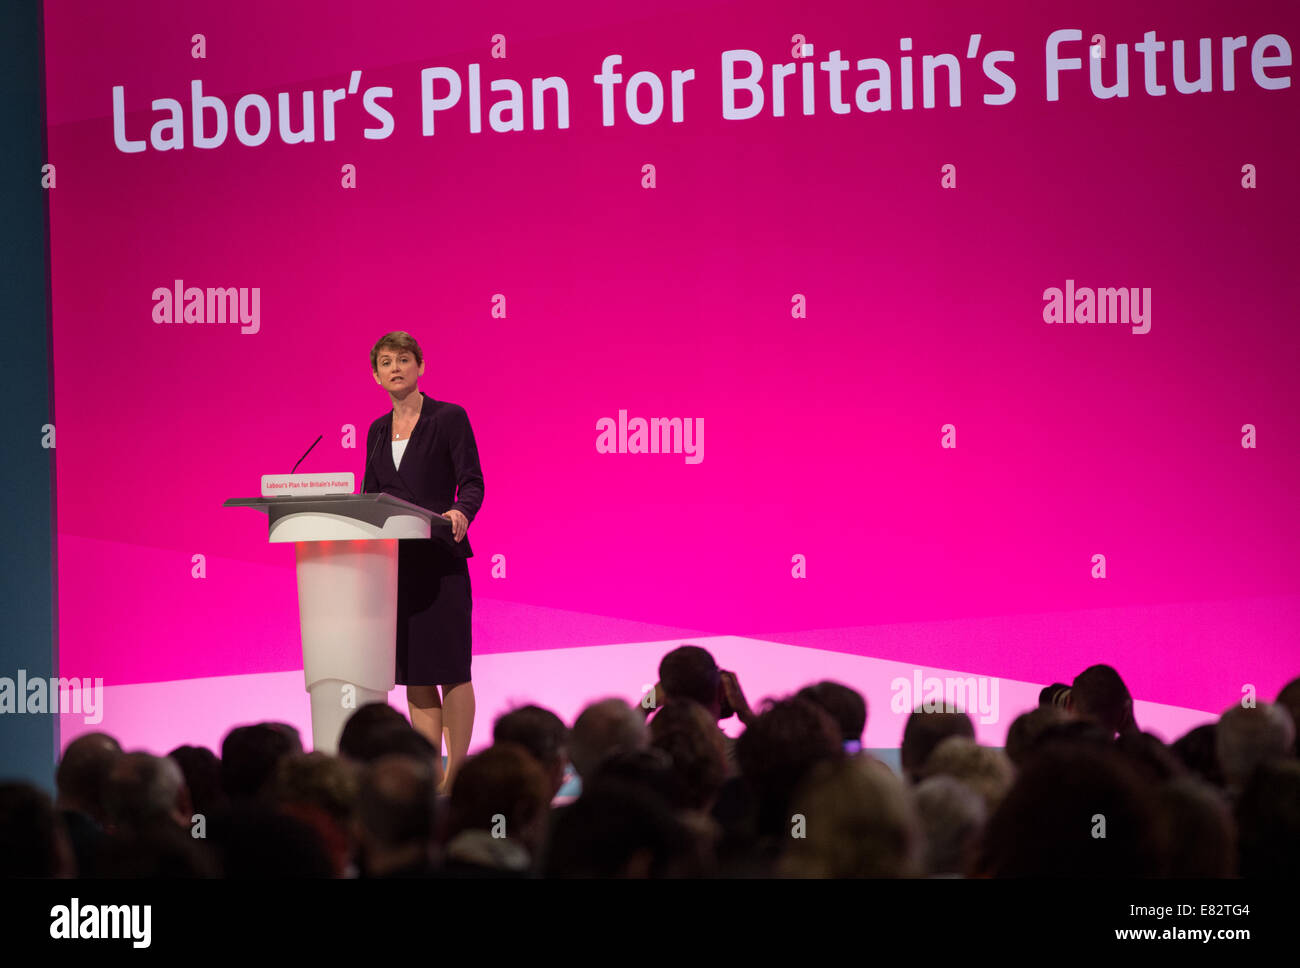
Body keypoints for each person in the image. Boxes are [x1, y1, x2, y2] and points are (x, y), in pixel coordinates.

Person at [363, 331, 485, 794]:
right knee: (416, 670)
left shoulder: (449, 417)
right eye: (387, 362)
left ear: (420, 367)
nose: (396, 368)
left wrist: (461, 512)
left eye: (404, 360)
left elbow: (472, 481)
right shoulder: (375, 430)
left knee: (451, 667)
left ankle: (456, 778)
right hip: (397, 563)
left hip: (440, 556)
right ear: (375, 375)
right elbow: (369, 493)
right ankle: (428, 776)